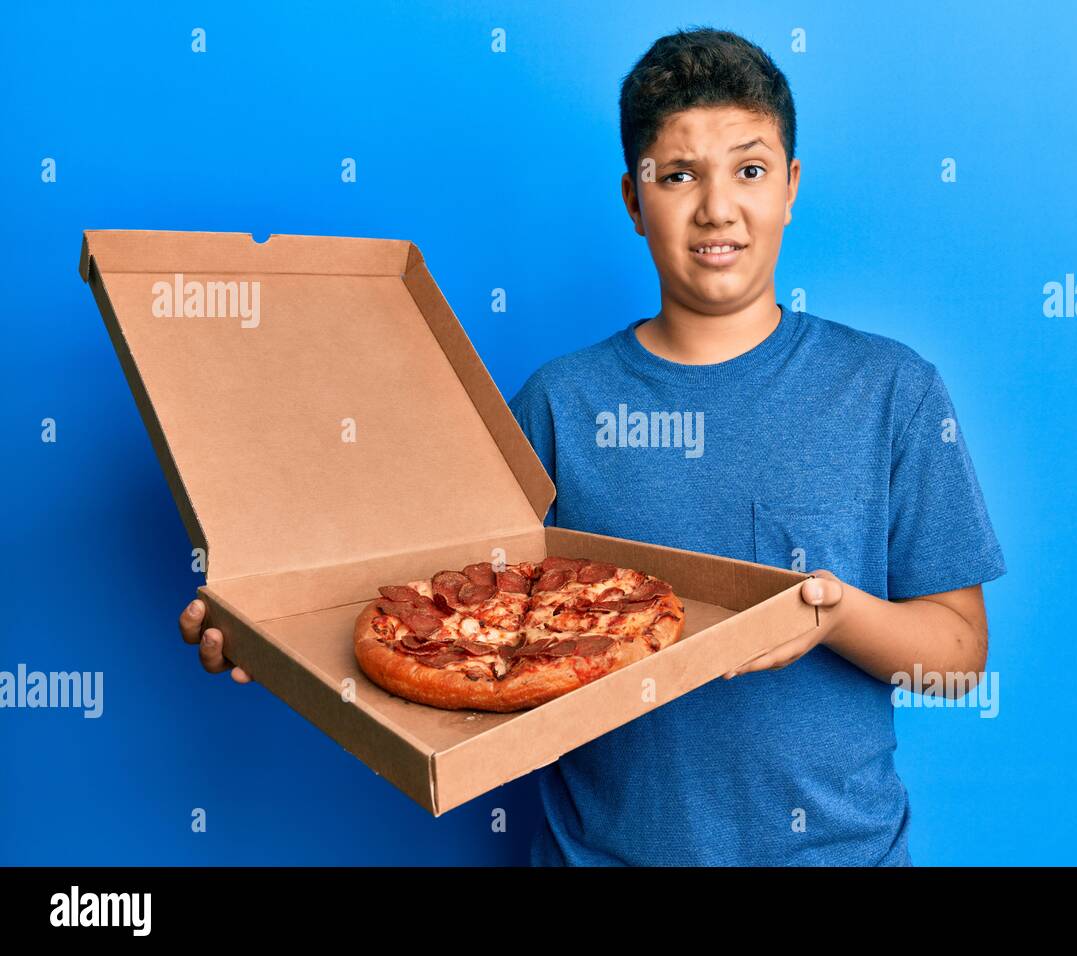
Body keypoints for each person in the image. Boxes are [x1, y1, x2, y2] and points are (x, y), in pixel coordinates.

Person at [180, 26, 1006, 866]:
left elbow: (961, 657)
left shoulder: (892, 390)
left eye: (749, 170)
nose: (717, 208)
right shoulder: (556, 403)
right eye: (678, 175)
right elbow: (429, 601)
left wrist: (830, 610)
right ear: (633, 198)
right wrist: (275, 635)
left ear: (791, 188)